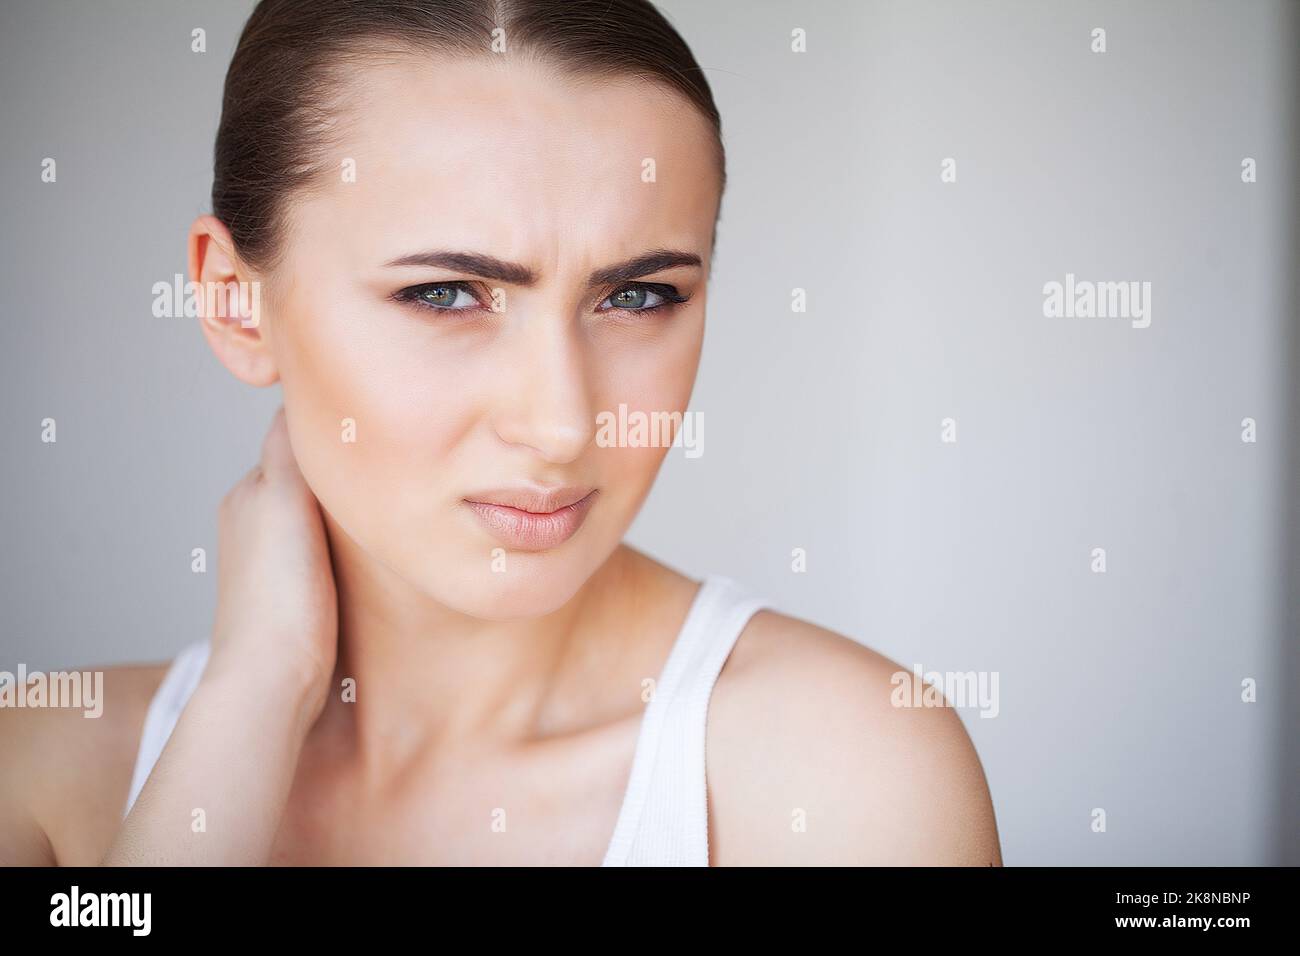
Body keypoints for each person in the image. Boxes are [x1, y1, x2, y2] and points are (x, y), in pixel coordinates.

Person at [0, 0, 1002, 866]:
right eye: (445, 293)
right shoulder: (45, 773)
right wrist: (254, 693)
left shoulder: (842, 772)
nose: (562, 422)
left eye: (639, 295)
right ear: (233, 300)